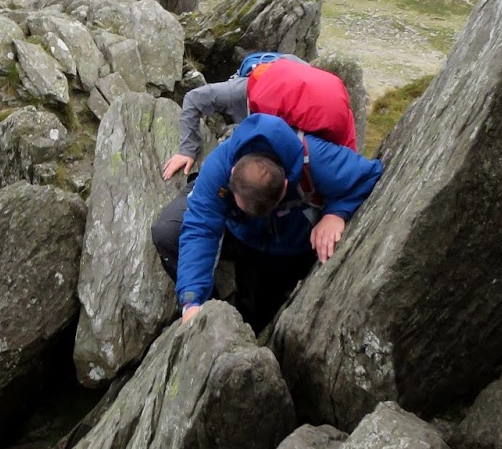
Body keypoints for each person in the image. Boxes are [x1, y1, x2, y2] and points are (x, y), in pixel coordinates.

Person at [151, 112, 383, 331]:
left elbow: (369, 174)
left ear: (284, 185)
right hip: (243, 235)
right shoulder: (219, 165)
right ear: (232, 174)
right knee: (170, 234)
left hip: (287, 246)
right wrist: (191, 299)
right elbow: (201, 227)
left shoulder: (317, 158)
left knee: (256, 315)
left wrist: (336, 214)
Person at [162, 54, 357, 181]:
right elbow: (194, 99)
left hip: (298, 87)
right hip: (277, 77)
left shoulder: (325, 113)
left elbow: (345, 155)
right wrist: (187, 150)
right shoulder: (240, 90)